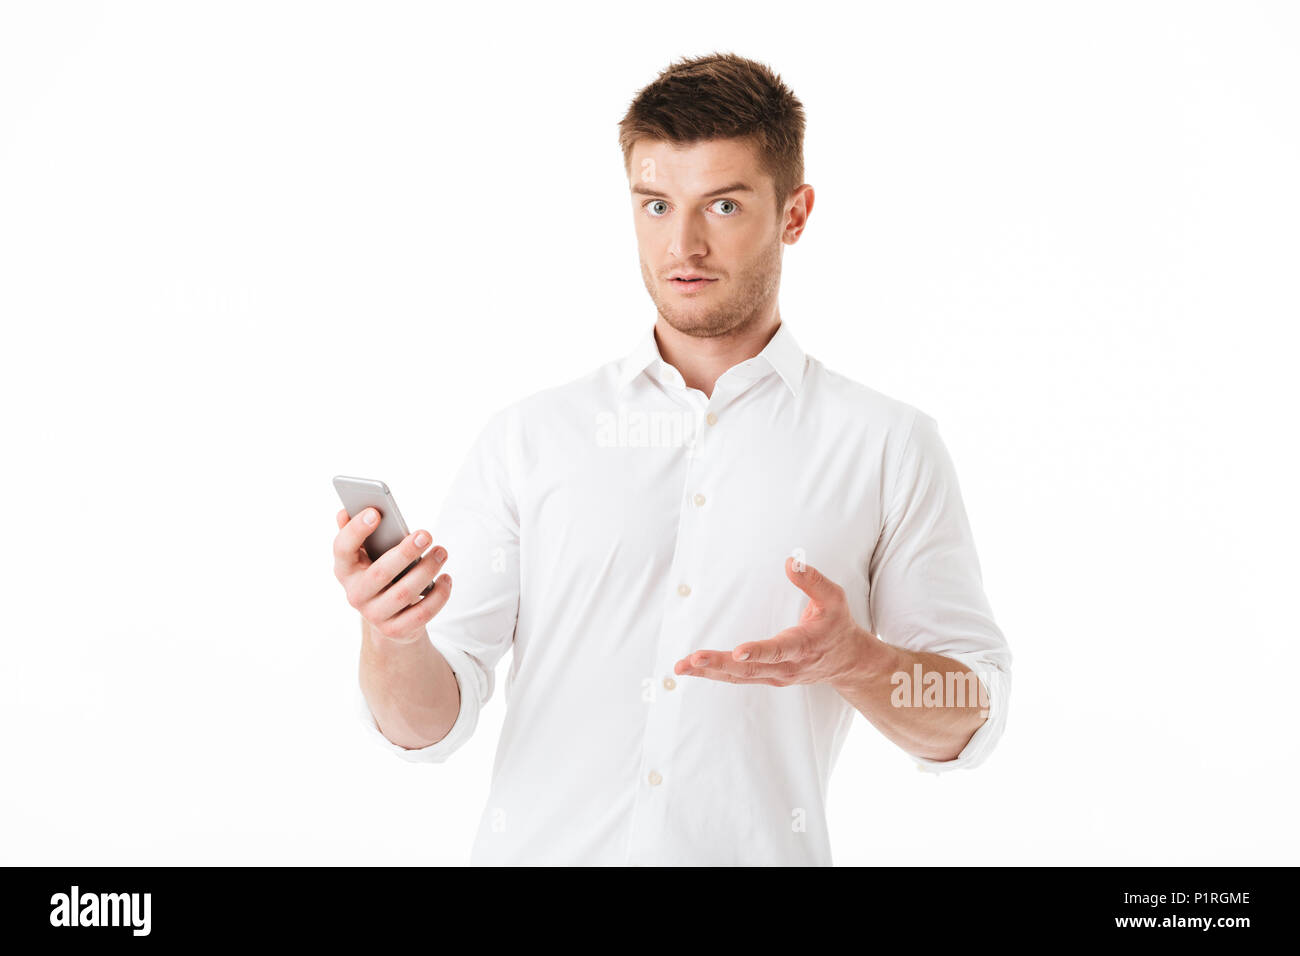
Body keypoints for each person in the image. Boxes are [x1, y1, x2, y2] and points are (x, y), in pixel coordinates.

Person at [332, 51, 1011, 866]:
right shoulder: (531, 438)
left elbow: (969, 713)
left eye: (722, 204)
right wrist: (393, 636)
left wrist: (859, 661)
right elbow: (426, 726)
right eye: (656, 204)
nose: (682, 243)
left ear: (795, 214)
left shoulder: (888, 446)